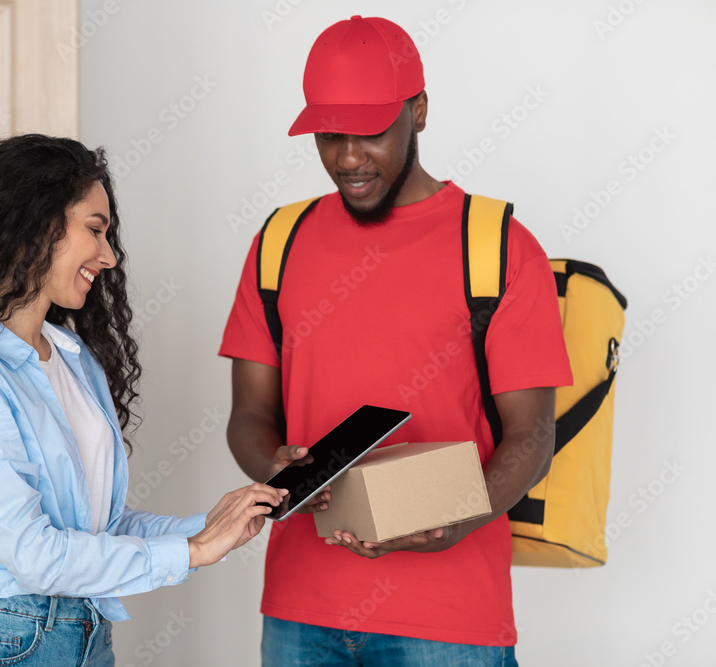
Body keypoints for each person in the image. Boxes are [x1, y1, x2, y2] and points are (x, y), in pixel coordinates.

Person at [219, 16, 573, 666]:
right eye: (329, 134)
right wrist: (275, 465)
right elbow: (248, 414)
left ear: (419, 110)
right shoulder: (279, 242)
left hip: (450, 621)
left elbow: (532, 433)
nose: (348, 158)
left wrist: (456, 521)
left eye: (371, 131)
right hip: (300, 612)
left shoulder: (496, 247)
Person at [0, 134, 286, 667]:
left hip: (83, 637)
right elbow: (34, 555)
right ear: (34, 225)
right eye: (95, 230)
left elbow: (92, 532)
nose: (108, 256)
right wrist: (192, 551)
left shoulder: (72, 358)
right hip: (1, 642)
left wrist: (207, 527)